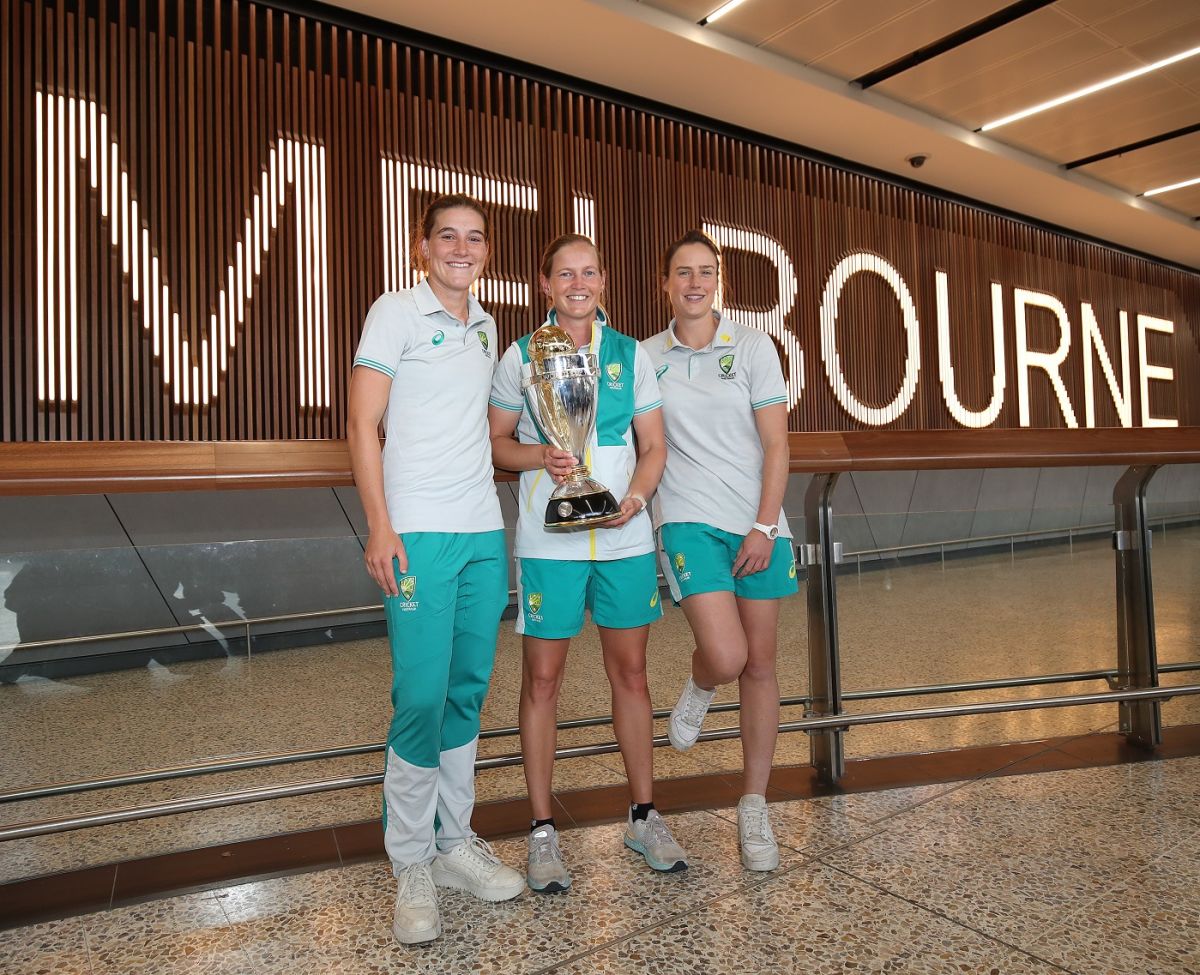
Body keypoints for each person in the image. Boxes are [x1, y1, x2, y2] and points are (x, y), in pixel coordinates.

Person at [347, 193, 524, 945]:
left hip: (484, 528)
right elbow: (361, 422)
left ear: (487, 250)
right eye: (446, 236)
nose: (461, 248)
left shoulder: (486, 326)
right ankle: (411, 859)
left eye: (474, 237)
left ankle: (454, 843)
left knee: (466, 691)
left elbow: (481, 432)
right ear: (422, 247)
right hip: (416, 532)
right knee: (419, 695)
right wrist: (380, 525)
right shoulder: (395, 310)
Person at [488, 233, 688, 893]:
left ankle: (643, 813)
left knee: (632, 675)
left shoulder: (630, 355)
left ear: (603, 280)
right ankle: (543, 828)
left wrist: (636, 497)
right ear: (544, 285)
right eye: (565, 273)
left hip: (624, 540)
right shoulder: (521, 356)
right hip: (550, 542)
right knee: (541, 683)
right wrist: (538, 456)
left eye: (590, 272)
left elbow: (653, 445)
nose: (579, 283)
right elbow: (496, 446)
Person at [642, 229, 797, 872]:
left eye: (706, 272)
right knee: (729, 655)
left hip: (757, 522)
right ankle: (702, 683)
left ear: (720, 282)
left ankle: (754, 803)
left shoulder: (754, 345)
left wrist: (764, 527)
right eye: (683, 272)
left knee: (760, 665)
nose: (695, 283)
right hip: (685, 519)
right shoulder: (646, 356)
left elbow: (778, 446)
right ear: (666, 284)